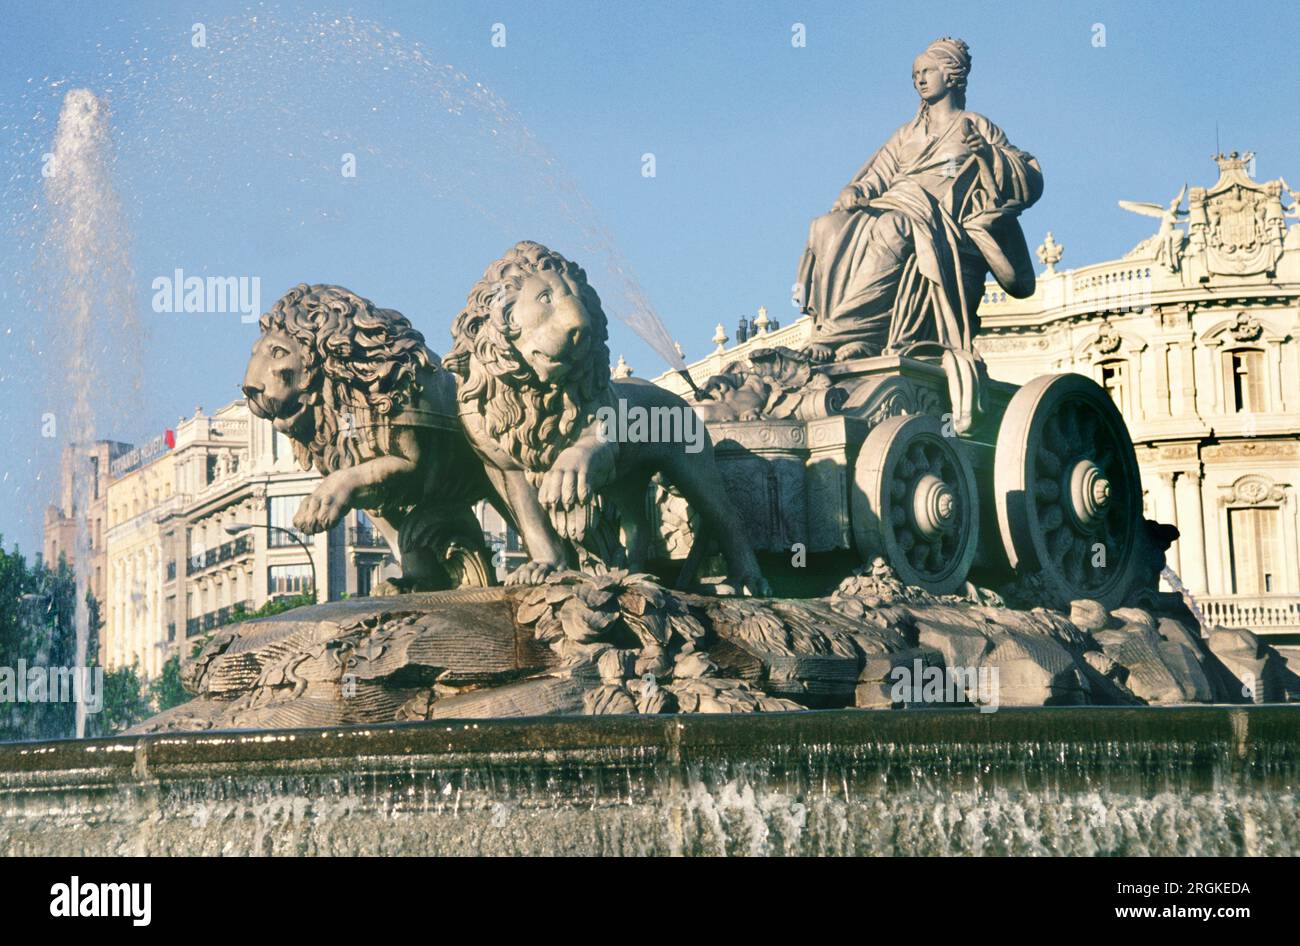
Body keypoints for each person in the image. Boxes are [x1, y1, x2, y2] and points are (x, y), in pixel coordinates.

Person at [795, 37, 1042, 431]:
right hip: (898, 206)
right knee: (827, 227)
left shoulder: (975, 126)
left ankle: (842, 331)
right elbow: (877, 175)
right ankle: (860, 337)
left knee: (893, 227)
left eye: (926, 71)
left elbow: (1027, 176)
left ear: (952, 74)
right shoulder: (905, 134)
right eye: (915, 74)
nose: (919, 80)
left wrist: (989, 156)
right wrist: (856, 191)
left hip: (945, 225)